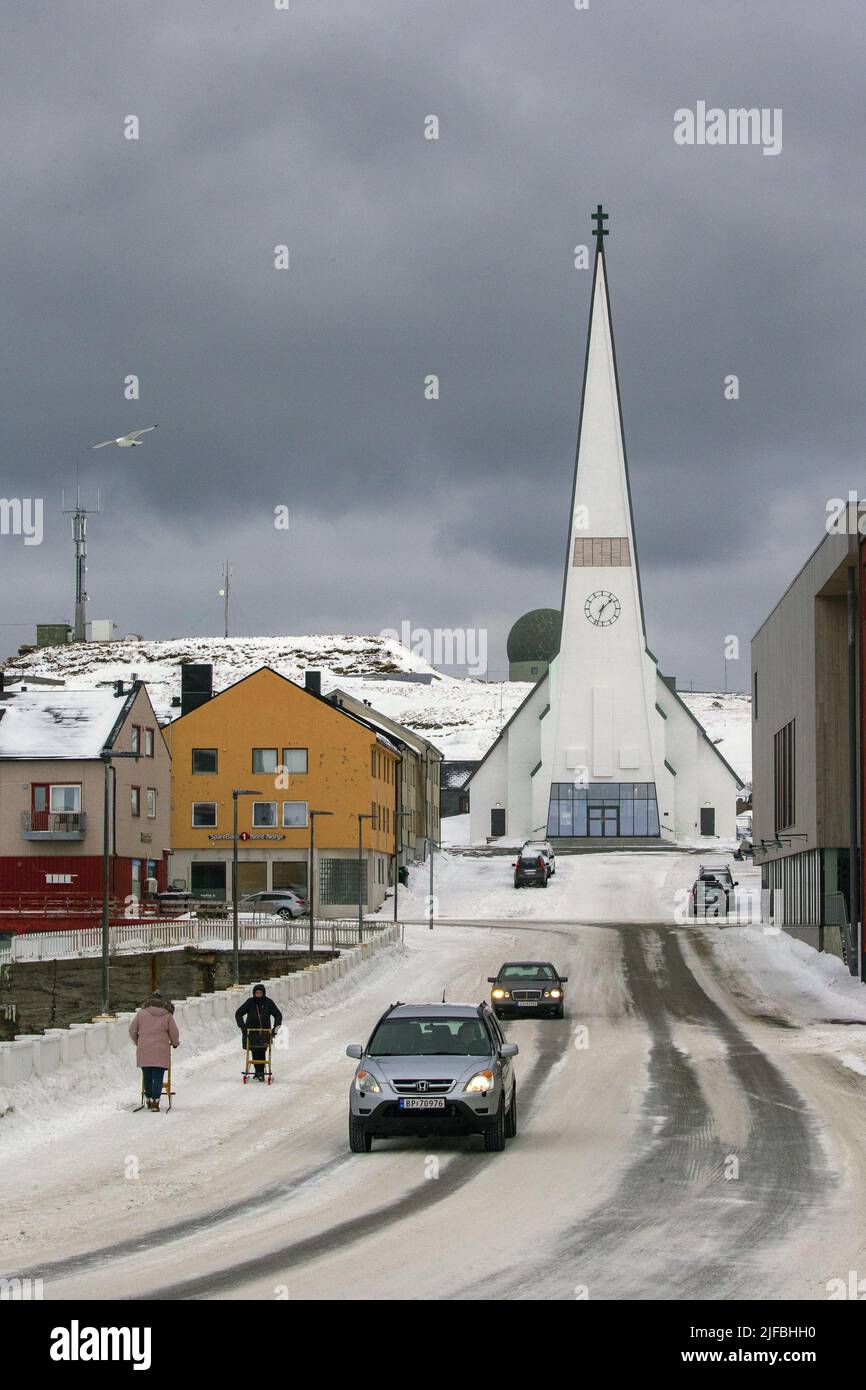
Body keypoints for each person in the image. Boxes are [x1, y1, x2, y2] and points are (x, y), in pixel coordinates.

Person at [129, 990, 180, 1110]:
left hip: (144, 1048)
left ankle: (148, 1098)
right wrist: (175, 1043)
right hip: (161, 1050)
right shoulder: (167, 1015)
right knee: (158, 1075)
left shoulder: (142, 1013)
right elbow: (174, 1032)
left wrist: (138, 1041)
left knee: (147, 1075)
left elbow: (132, 1030)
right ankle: (155, 1101)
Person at [235, 984, 282, 1081]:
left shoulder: (268, 1002)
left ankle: (259, 1072)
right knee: (255, 1051)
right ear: (254, 993)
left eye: (260, 993)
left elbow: (278, 1015)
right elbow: (238, 1013)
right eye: (257, 993)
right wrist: (242, 1026)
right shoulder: (250, 1002)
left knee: (262, 1050)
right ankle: (259, 1072)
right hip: (251, 1033)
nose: (258, 994)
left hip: (264, 1032)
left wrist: (275, 1030)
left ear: (263, 993)